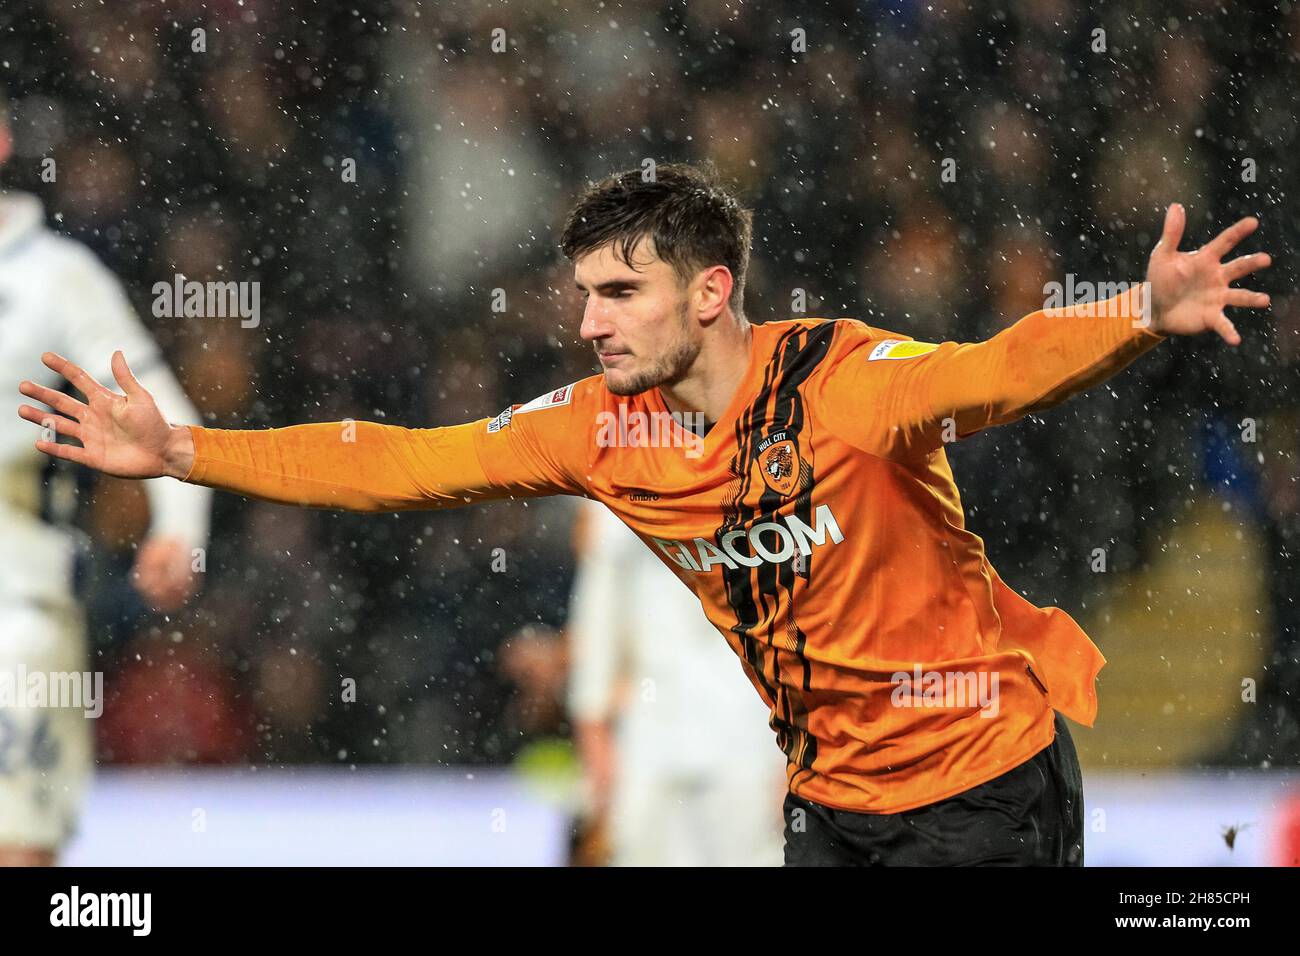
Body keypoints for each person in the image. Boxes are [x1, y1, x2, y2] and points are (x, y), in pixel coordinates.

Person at [16, 162, 1272, 865]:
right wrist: (182, 447)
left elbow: (993, 367)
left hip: (985, 787)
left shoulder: (840, 381)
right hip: (831, 802)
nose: (588, 321)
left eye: (619, 291)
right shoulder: (598, 428)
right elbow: (398, 460)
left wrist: (1134, 313)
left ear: (711, 291)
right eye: (582, 293)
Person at [0, 105, 211, 866]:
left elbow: (159, 415)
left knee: (17, 842)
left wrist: (179, 527)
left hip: (16, 602)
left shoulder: (57, 277)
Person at [568, 498, 784, 866]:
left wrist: (797, 754)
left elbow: (803, 618)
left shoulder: (773, 483)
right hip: (650, 741)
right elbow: (599, 620)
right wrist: (593, 731)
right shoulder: (618, 486)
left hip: (751, 739)